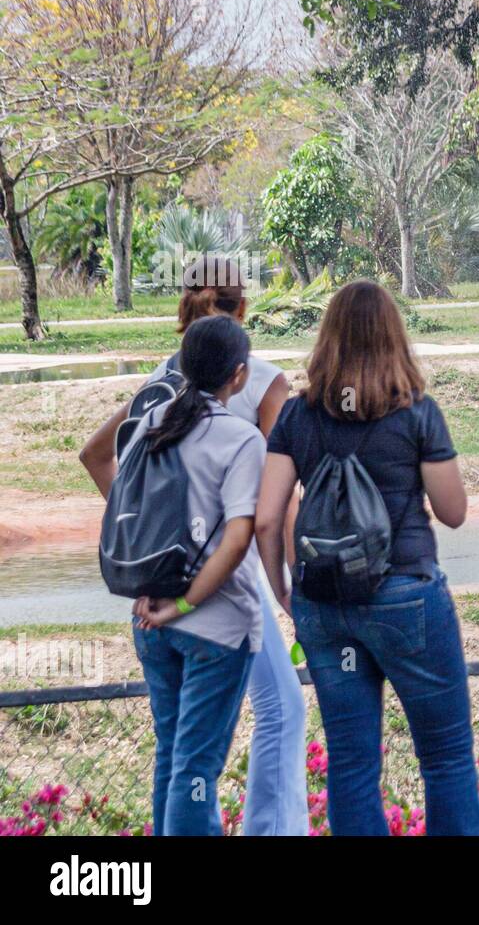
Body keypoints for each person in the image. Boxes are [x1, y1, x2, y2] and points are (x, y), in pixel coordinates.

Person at [81, 256, 308, 836]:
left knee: (176, 752)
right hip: (225, 589)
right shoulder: (257, 376)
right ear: (245, 309)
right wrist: (292, 594)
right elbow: (272, 511)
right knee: (275, 714)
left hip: (156, 592)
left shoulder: (161, 382)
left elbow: (96, 456)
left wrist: (150, 542)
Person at [254, 280, 479, 836]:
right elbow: (453, 512)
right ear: (394, 337)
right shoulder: (416, 413)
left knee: (352, 763)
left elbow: (265, 516)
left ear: (327, 338)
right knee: (446, 757)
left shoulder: (296, 416)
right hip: (406, 596)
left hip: (324, 605)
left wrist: (284, 587)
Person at [116, 315, 264, 835]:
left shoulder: (147, 424)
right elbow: (238, 539)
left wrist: (154, 594)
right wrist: (184, 603)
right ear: (239, 376)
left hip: (151, 623)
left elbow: (126, 512)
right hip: (215, 627)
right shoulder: (241, 439)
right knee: (195, 769)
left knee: (173, 757)